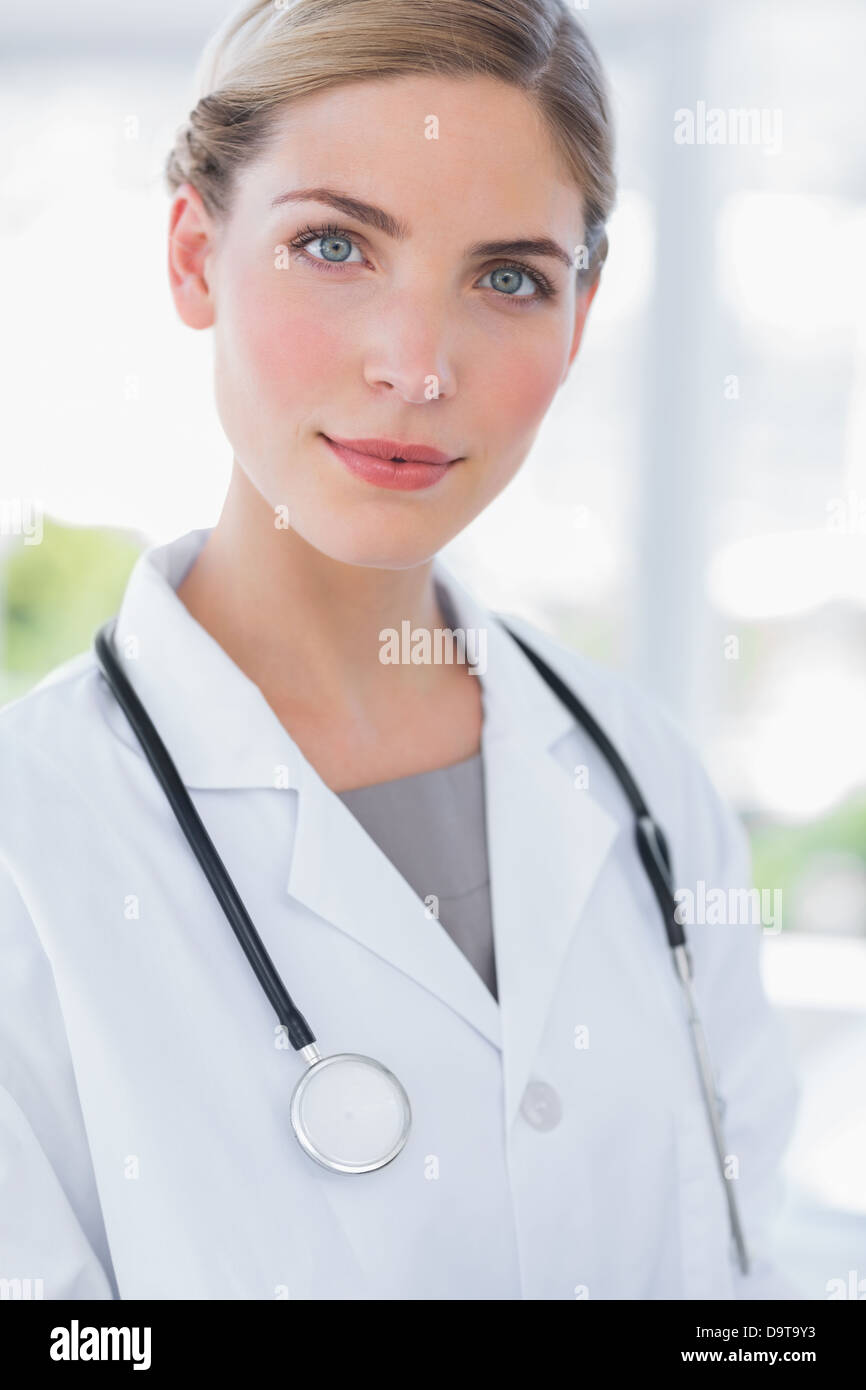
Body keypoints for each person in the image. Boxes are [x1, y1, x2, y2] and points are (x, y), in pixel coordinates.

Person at [0, 0, 801, 1300]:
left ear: (580, 312)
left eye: (506, 278)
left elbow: (753, 1280)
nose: (417, 365)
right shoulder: (30, 842)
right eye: (333, 243)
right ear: (194, 254)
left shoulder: (645, 782)